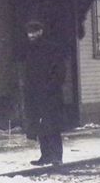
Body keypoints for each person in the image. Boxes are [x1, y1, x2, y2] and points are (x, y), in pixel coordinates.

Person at [21, 18, 67, 166]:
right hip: (35, 94)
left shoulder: (52, 49)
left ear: (40, 32)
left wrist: (50, 87)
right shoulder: (30, 50)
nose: (31, 35)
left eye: (34, 32)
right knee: (40, 126)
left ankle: (57, 156)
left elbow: (59, 72)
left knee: (52, 125)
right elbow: (28, 73)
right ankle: (45, 155)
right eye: (29, 33)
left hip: (50, 94)